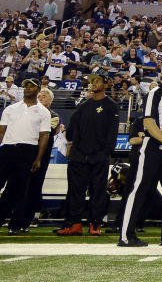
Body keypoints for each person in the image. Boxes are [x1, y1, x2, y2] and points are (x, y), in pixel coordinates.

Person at [118, 62, 162, 247]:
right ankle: (126, 235)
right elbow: (148, 122)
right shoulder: (155, 93)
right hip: (153, 145)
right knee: (140, 189)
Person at [57, 74, 119, 236]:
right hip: (78, 156)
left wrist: (105, 153)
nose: (94, 84)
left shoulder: (111, 106)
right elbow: (71, 131)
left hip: (99, 156)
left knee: (97, 191)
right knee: (75, 191)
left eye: (98, 81)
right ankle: (74, 224)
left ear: (106, 84)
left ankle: (95, 223)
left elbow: (112, 133)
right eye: (92, 81)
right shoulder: (83, 106)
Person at [0, 79, 50, 234]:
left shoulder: (44, 112)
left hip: (28, 150)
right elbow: (1, 131)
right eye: (25, 86)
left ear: (38, 89)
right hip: (7, 148)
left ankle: (15, 225)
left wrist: (38, 158)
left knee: (19, 190)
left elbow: (44, 136)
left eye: (31, 86)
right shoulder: (10, 108)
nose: (27, 88)